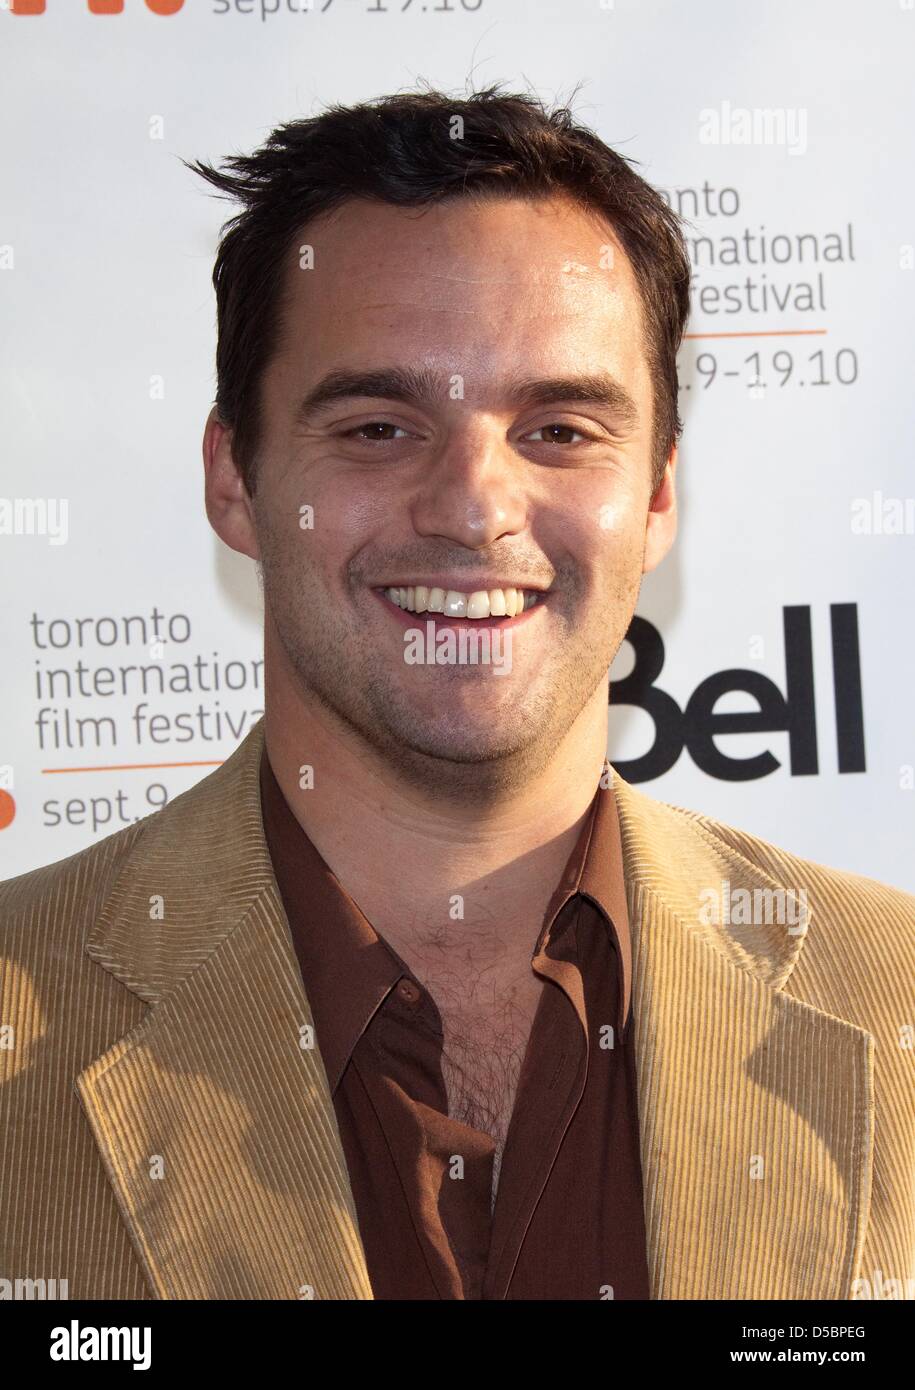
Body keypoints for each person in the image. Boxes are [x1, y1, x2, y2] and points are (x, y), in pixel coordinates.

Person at [1, 85, 912, 1302]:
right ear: (236, 480)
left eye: (562, 429)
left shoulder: (891, 996)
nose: (475, 507)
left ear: (656, 498)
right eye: (379, 427)